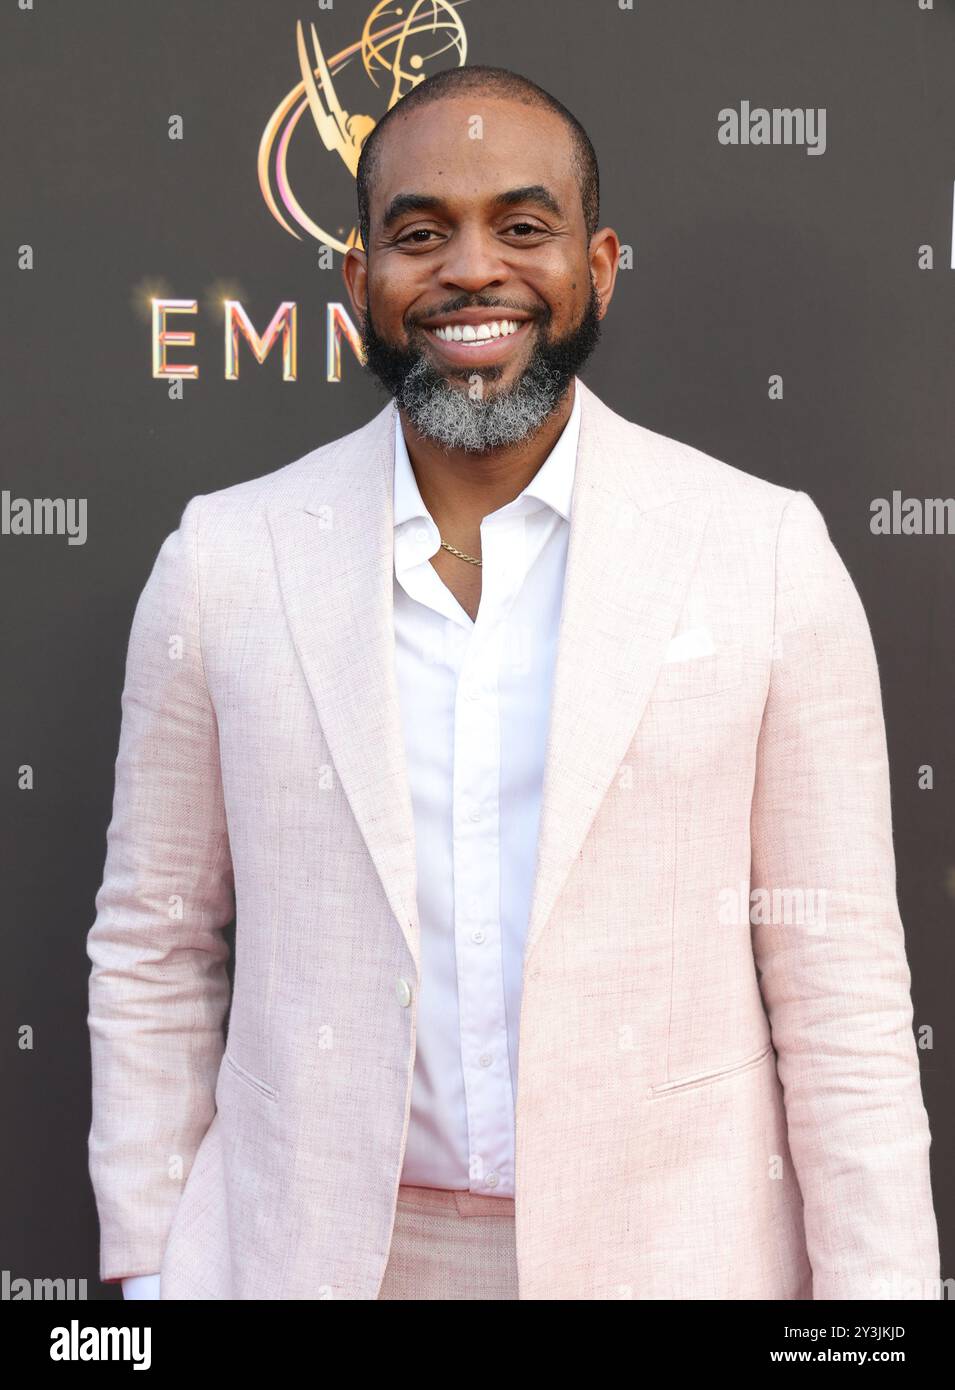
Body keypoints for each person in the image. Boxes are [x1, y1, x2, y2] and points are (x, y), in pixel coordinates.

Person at [88, 65, 939, 1301]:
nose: (471, 270)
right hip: (299, 1257)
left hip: (672, 1259)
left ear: (597, 266)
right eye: (419, 233)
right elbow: (153, 946)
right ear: (357, 282)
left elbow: (842, 984)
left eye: (522, 228)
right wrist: (149, 1277)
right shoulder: (224, 561)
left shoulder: (761, 552)